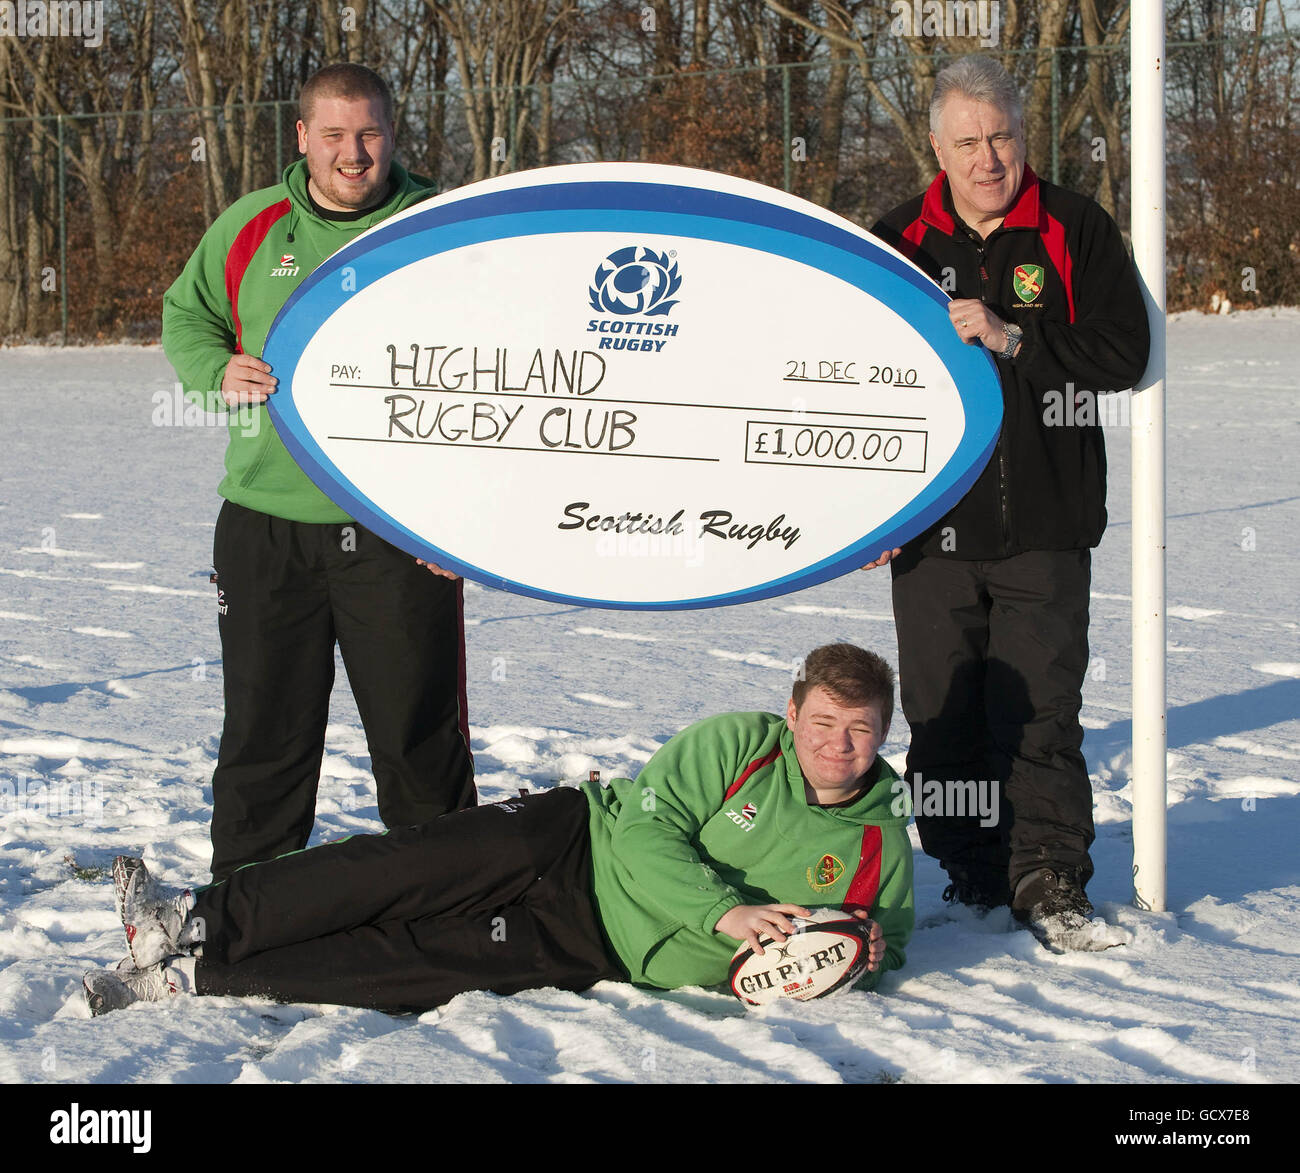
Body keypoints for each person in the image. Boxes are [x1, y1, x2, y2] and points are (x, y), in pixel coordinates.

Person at [83, 644, 913, 1015]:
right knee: (393, 870)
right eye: (822, 720)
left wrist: (868, 956)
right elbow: (648, 833)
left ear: (884, 733)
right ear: (794, 709)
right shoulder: (740, 741)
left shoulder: (879, 841)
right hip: (573, 833)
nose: (837, 744)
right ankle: (192, 916)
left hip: (601, 942)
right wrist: (725, 913)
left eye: (860, 728)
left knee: (407, 963)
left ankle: (187, 979)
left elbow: (886, 937)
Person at [161, 64, 475, 880]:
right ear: (301, 137)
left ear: (392, 133)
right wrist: (213, 369)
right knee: (266, 730)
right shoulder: (252, 225)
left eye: (369, 132)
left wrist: (468, 525)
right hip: (266, 526)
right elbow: (185, 312)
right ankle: (248, 908)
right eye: (333, 134)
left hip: (400, 532)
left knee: (417, 735)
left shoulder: (445, 224)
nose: (353, 153)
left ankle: (443, 903)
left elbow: (504, 367)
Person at [866, 56, 1149, 951]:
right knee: (942, 716)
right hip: (929, 535)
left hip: (1046, 525)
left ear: (1024, 135)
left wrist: (1012, 335)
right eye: (968, 143)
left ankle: (1050, 877)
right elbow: (857, 384)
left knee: (1039, 715)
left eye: (1003, 137)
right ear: (937, 149)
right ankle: (975, 873)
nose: (989, 158)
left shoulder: (1075, 227)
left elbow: (1124, 352)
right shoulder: (897, 237)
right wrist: (870, 511)